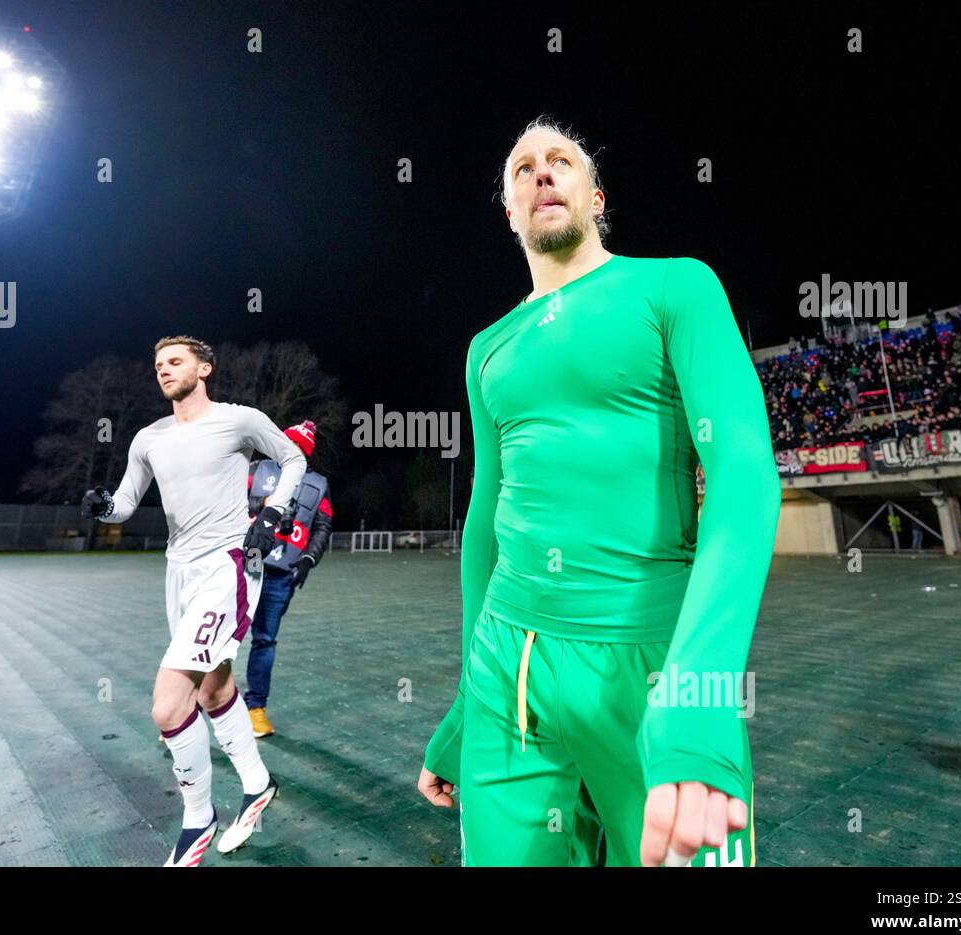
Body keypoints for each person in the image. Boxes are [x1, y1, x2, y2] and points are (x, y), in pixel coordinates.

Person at [417, 118, 780, 867]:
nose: (542, 173)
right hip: (505, 670)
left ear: (596, 195)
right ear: (510, 211)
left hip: (652, 662)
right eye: (523, 168)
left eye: (561, 161)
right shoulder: (486, 348)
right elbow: (485, 519)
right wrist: (461, 708)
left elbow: (745, 481)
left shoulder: (676, 285)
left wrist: (699, 698)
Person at [83, 335, 306, 866]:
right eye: (158, 364)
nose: (164, 370)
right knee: (212, 690)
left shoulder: (239, 419)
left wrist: (272, 514)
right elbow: (126, 504)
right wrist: (103, 508)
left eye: (176, 361)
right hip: (177, 572)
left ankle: (197, 818)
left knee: (167, 705)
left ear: (204, 368)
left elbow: (293, 457)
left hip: (227, 566)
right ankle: (257, 783)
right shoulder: (149, 438)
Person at [242, 420, 333, 737]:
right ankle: (189, 707)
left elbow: (323, 526)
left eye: (300, 449)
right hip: (244, 565)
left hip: (281, 574)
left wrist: (309, 559)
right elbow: (225, 503)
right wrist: (260, 505)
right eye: (288, 444)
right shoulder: (256, 469)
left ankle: (255, 708)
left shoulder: (317, 484)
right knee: (220, 637)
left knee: (265, 640)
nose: (292, 451)